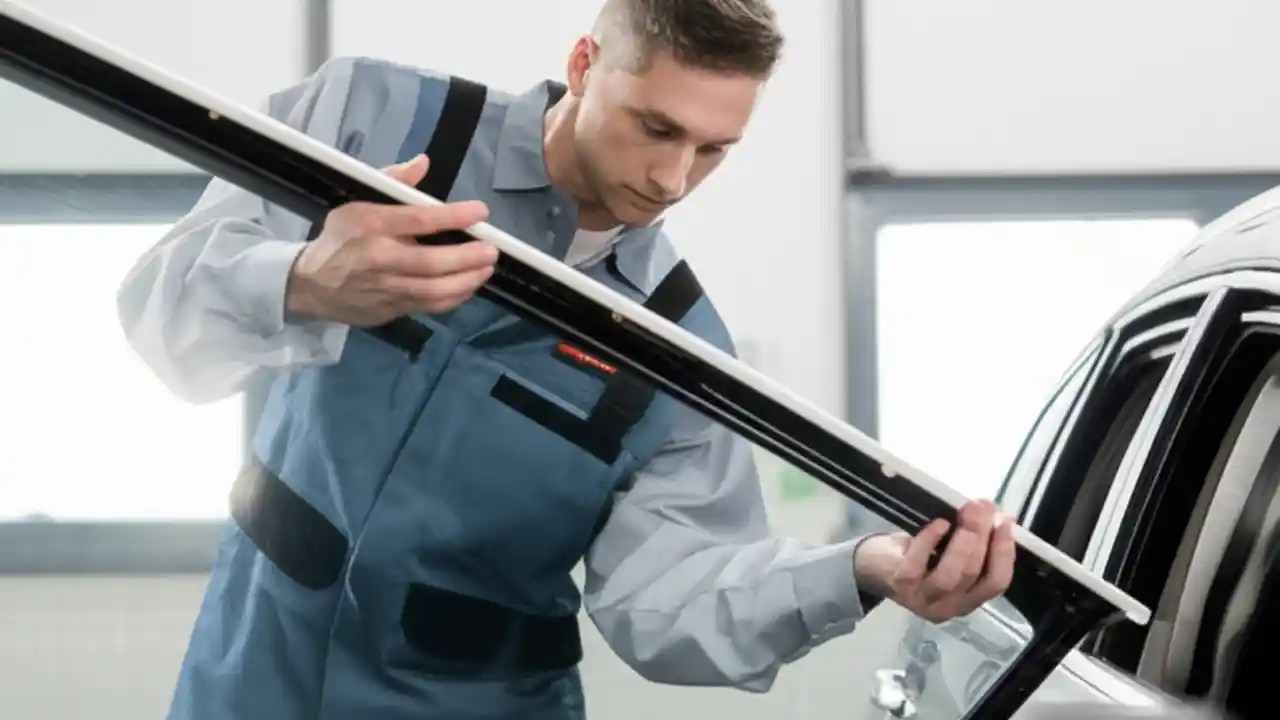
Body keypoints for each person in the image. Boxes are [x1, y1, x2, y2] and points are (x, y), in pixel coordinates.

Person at [116, 1, 1015, 718]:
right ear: (584, 65)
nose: (671, 181)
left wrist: (860, 570)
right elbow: (164, 315)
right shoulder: (368, 117)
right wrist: (304, 280)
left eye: (713, 150)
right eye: (655, 127)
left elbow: (667, 603)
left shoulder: (682, 346)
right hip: (249, 673)